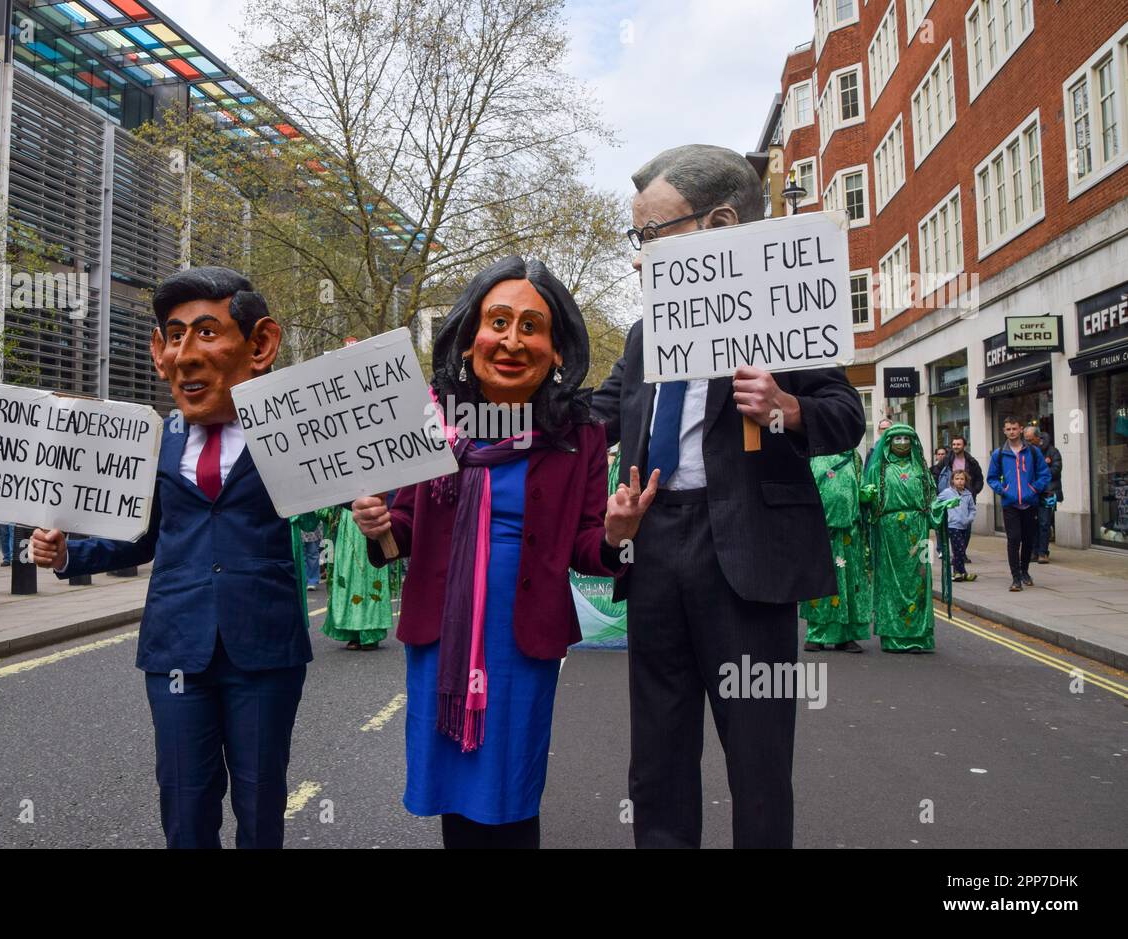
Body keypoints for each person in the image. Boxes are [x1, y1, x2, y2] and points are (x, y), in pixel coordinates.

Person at [590, 144, 866, 848]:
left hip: (746, 560)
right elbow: (595, 414)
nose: (636, 256)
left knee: (758, 760)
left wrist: (785, 407)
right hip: (656, 550)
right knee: (657, 756)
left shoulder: (776, 313)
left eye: (648, 235)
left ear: (716, 226)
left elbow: (844, 413)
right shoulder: (643, 334)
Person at [351, 256, 644, 849]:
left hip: (520, 637)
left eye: (532, 327)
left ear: (557, 350)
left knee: (511, 784)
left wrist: (618, 532)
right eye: (499, 322)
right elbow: (403, 528)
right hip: (443, 632)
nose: (512, 341)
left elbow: (588, 548)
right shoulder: (429, 420)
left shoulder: (579, 434)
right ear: (469, 338)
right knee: (455, 790)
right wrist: (378, 524)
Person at [31, 266, 310, 849]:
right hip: (177, 646)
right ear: (160, 352)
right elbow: (142, 535)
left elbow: (353, 476)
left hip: (263, 646)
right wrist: (64, 556)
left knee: (261, 798)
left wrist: (379, 514)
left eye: (207, 333)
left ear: (258, 345)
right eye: (174, 337)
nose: (187, 355)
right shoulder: (155, 441)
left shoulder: (291, 432)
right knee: (184, 797)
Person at [865, 424, 958, 653]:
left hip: (918, 531)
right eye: (896, 438)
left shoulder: (921, 469)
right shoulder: (879, 468)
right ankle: (893, 635)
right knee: (890, 582)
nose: (902, 443)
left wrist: (943, 505)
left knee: (919, 579)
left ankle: (919, 636)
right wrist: (866, 496)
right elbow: (868, 502)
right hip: (889, 533)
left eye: (906, 438)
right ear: (888, 442)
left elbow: (931, 501)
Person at [801, 449, 870, 653]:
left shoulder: (853, 457)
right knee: (819, 581)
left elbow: (861, 486)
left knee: (848, 582)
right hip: (819, 531)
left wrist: (868, 495)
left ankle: (846, 637)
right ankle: (816, 634)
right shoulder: (811, 455)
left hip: (849, 533)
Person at [319, 503, 397, 651]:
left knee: (371, 572)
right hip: (348, 520)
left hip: (372, 512)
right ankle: (352, 631)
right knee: (348, 575)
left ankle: (371, 632)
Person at [987, 416, 1050, 592]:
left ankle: (1025, 572)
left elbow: (1044, 474)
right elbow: (991, 478)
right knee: (1013, 539)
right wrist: (1003, 490)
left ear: (1021, 429)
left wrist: (1033, 488)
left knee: (1028, 540)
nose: (1012, 432)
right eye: (1008, 429)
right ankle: (1015, 578)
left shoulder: (1032, 451)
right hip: (1010, 504)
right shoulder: (999, 454)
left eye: (1014, 428)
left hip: (1030, 503)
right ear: (1004, 431)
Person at [1024, 425, 1062, 564]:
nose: (1027, 442)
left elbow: (1056, 470)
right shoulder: (1026, 451)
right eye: (1025, 439)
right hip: (1031, 492)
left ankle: (1043, 552)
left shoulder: (1052, 452)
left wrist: (1040, 472)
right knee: (1032, 523)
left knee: (1044, 522)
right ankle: (1034, 551)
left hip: (1047, 492)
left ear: (1037, 438)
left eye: (1029, 439)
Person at [946, 469, 977, 583]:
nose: (959, 481)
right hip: (952, 525)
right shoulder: (947, 493)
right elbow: (937, 504)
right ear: (952, 480)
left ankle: (961, 572)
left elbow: (972, 509)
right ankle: (957, 572)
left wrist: (969, 519)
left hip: (964, 525)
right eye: (957, 479)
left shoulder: (968, 494)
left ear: (966, 480)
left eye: (962, 479)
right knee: (958, 548)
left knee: (961, 550)